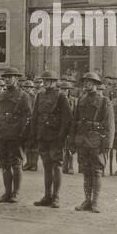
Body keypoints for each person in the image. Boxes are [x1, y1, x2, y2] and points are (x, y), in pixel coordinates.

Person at [70, 71, 114, 212]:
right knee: (86, 171)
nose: (86, 84)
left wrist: (107, 145)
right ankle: (87, 200)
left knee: (96, 171)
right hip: (82, 139)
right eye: (85, 82)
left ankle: (95, 202)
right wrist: (72, 140)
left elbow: (109, 126)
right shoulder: (81, 100)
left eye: (89, 82)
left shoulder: (104, 101)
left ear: (96, 85)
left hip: (96, 140)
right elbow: (74, 122)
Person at [31, 70, 71, 208]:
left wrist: (61, 137)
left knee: (56, 166)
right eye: (45, 80)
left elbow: (66, 120)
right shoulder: (39, 95)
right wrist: (34, 134)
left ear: (54, 82)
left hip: (55, 137)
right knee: (47, 167)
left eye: (49, 80)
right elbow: (35, 116)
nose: (46, 83)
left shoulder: (61, 97)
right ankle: (47, 196)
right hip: (42, 135)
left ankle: (56, 197)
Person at [0, 67, 32, 204]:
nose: (7, 79)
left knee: (16, 164)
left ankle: (16, 193)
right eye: (6, 77)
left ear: (16, 78)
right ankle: (7, 192)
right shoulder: (0, 96)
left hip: (16, 136)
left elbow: (27, 117)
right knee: (4, 164)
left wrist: (22, 135)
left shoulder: (23, 96)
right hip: (3, 134)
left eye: (10, 77)